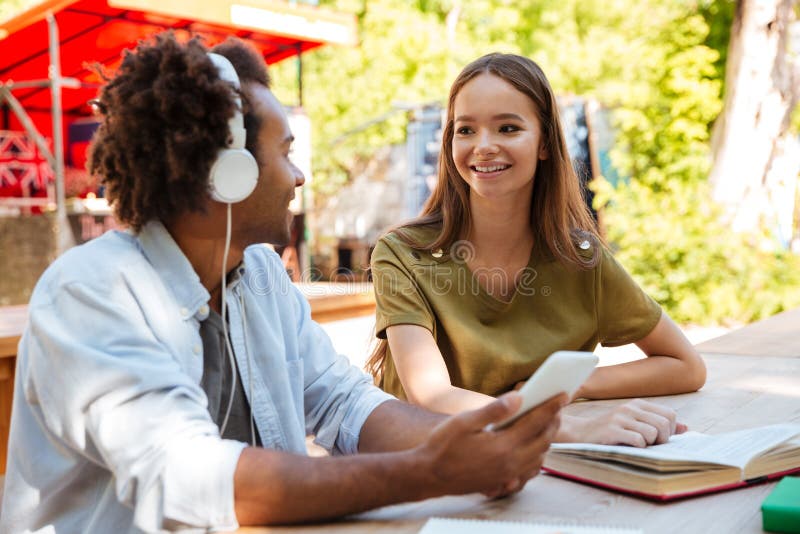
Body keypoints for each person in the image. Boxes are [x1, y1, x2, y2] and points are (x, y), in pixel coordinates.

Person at [0, 36, 566, 532]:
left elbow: (344, 404)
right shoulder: (92, 294)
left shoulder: (259, 273)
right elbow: (191, 479)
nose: (300, 176)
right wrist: (430, 472)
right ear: (228, 171)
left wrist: (476, 443)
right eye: (286, 152)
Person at [368, 53, 706, 448]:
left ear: (545, 142)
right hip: (416, 471)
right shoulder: (403, 254)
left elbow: (686, 366)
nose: (484, 146)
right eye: (466, 130)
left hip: (531, 469)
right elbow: (433, 397)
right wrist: (568, 428)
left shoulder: (580, 259)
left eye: (507, 128)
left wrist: (573, 386)